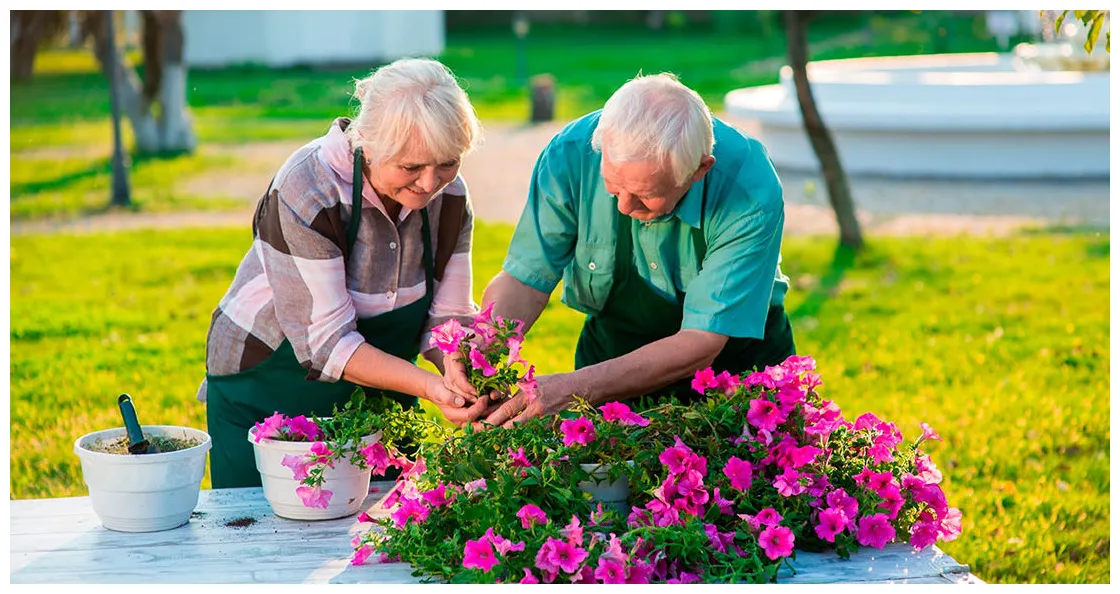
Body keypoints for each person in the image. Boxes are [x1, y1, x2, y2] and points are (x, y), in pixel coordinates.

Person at [200, 58, 490, 488]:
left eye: (447, 163)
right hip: (268, 385)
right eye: (411, 168)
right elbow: (327, 343)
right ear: (367, 144)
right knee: (257, 535)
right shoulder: (309, 187)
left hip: (382, 389)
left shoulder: (450, 197)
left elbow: (448, 318)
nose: (430, 184)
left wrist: (456, 369)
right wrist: (430, 388)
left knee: (385, 535)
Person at [444, 72, 796, 427]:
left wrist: (574, 387)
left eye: (647, 194)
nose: (625, 207)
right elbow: (526, 278)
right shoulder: (571, 154)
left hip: (734, 372)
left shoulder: (748, 189)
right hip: (614, 357)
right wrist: (482, 349)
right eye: (613, 187)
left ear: (700, 170)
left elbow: (702, 339)